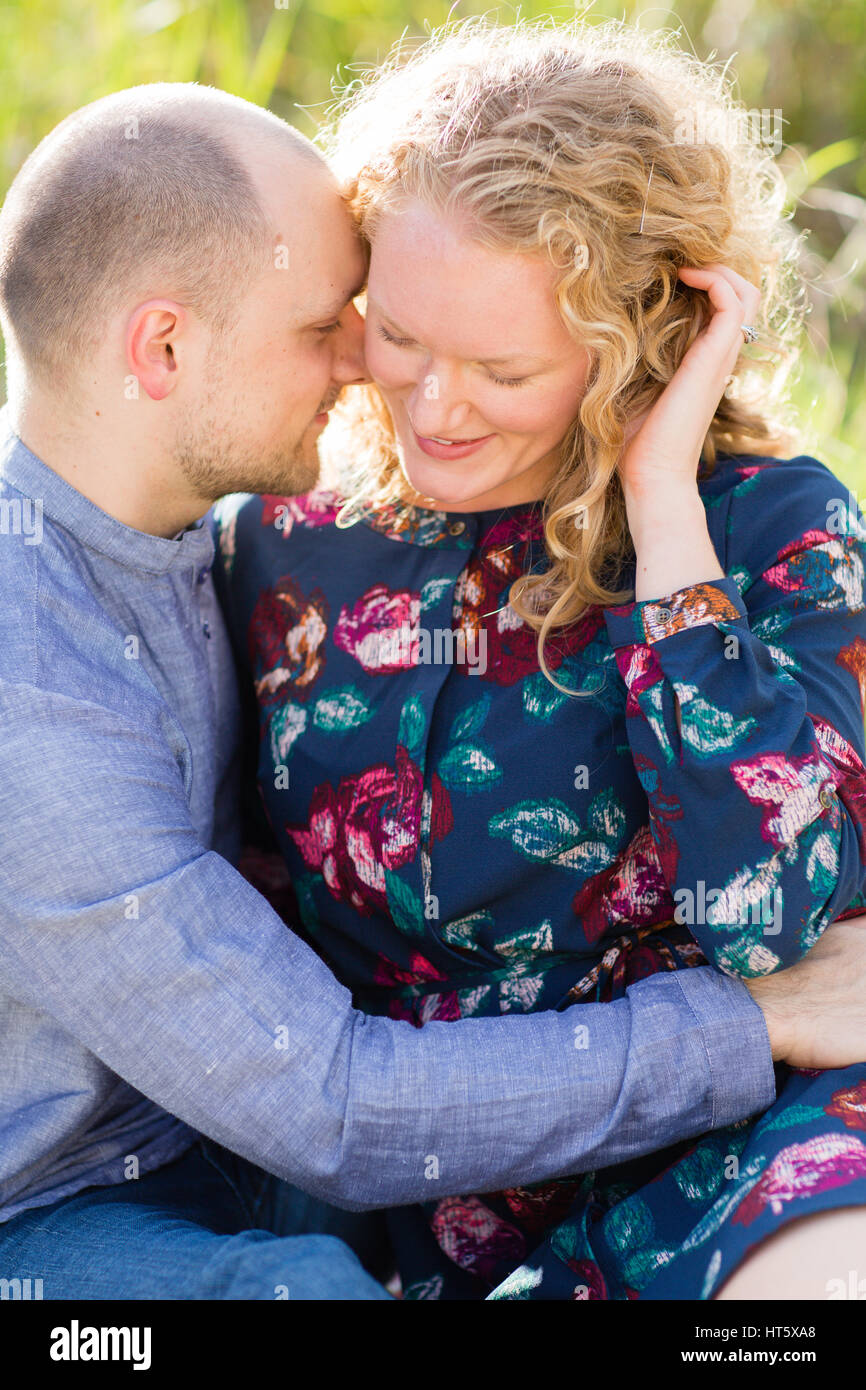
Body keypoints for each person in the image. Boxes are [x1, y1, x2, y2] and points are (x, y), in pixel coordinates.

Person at [1, 78, 849, 1304]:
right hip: (281, 1181)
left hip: (639, 1143)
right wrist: (740, 1028)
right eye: (360, 326)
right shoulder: (241, 566)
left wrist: (660, 504)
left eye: (498, 365)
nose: (389, 381)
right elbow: (320, 1101)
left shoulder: (766, 526)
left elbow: (784, 917)